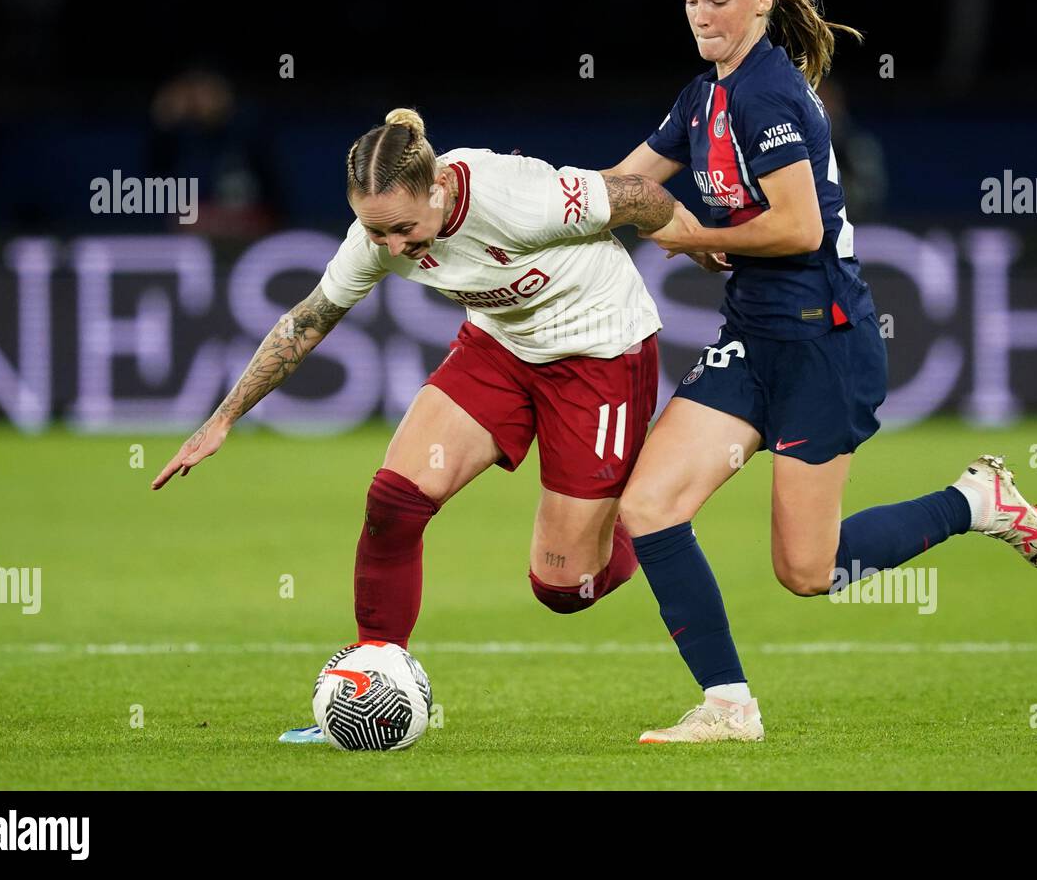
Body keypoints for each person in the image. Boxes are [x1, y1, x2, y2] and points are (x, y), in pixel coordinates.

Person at [605, 0, 1037, 744]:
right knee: (651, 505)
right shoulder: (704, 94)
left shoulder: (771, 92)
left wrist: (690, 234)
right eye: (689, 0)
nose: (701, 15)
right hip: (754, 337)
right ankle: (729, 705)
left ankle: (972, 500)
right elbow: (621, 186)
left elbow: (799, 228)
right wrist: (518, 206)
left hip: (821, 340)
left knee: (805, 571)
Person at [153, 107, 681, 657]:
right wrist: (223, 418)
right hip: (501, 348)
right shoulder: (377, 240)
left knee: (567, 589)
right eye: (375, 231)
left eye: (403, 229)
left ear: (437, 187)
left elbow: (641, 193)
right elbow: (305, 322)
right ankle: (373, 679)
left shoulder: (516, 195)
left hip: (597, 354)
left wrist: (699, 242)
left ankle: (642, 512)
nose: (394, 248)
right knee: (394, 504)